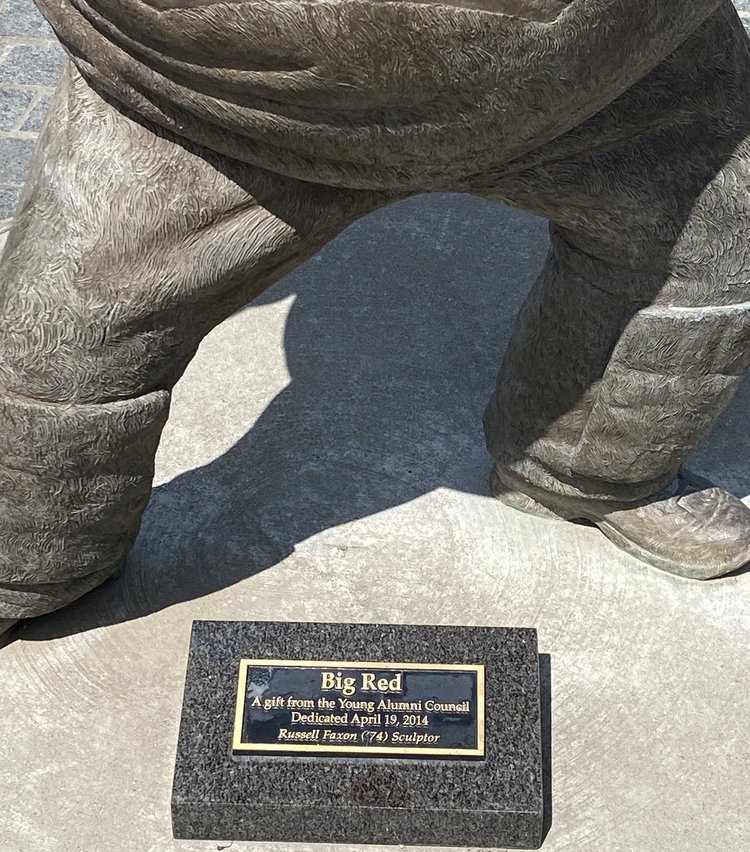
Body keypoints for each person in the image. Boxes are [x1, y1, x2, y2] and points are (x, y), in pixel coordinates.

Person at [1, 0, 749, 642]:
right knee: (66, 336)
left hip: (616, 78)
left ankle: (588, 471)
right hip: (214, 102)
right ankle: (28, 565)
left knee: (714, 245)